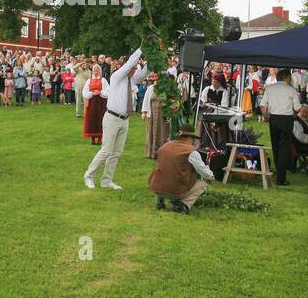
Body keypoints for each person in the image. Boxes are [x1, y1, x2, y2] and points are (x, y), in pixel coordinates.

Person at [83, 47, 143, 190]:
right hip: (112, 117)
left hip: (125, 119)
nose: (135, 70)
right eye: (134, 67)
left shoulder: (131, 80)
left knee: (116, 152)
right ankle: (89, 176)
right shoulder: (116, 77)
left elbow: (143, 74)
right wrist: (142, 48)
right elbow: (129, 64)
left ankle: (107, 180)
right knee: (106, 150)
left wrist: (154, 58)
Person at [149, 130, 217, 214]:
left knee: (166, 172)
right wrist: (212, 177)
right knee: (204, 182)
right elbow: (204, 172)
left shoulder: (164, 146)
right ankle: (182, 204)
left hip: (157, 186)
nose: (194, 142)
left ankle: (161, 199)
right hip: (175, 189)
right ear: (190, 138)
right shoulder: (191, 151)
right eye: (193, 139)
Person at [261, 68, 302, 186]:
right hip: (286, 119)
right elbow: (298, 108)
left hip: (273, 118)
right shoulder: (291, 90)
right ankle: (281, 177)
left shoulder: (269, 88)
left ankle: (278, 171)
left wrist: (267, 117)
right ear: (287, 77)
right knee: (284, 147)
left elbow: (263, 106)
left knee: (276, 145)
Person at [81, 63, 107, 145]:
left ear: (100, 71)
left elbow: (108, 91)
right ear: (92, 71)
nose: (96, 71)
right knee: (91, 119)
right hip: (91, 103)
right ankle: (92, 138)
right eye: (95, 70)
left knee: (101, 119)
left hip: (101, 103)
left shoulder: (103, 80)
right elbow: (84, 92)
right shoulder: (89, 80)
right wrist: (92, 94)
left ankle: (100, 138)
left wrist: (100, 92)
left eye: (98, 69)